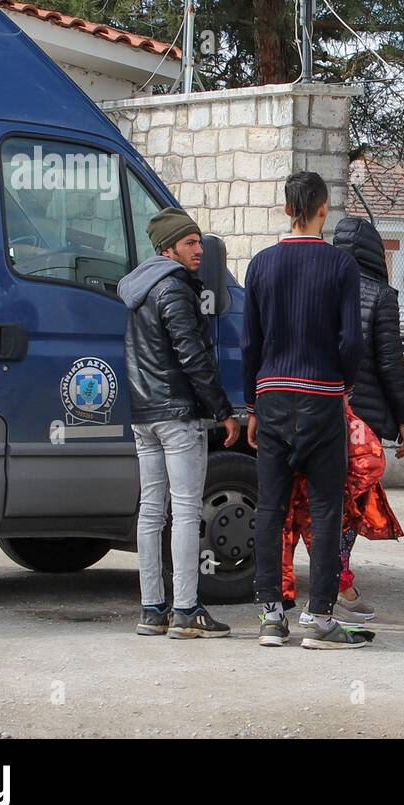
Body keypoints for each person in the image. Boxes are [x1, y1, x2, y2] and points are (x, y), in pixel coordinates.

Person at [242, 171, 370, 651]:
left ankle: (271, 615)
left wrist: (252, 404)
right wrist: (344, 385)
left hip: (272, 395)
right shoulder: (341, 266)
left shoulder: (261, 265)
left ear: (285, 208)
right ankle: (319, 619)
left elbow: (249, 342)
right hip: (321, 395)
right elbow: (351, 340)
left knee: (271, 507)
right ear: (324, 207)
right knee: (325, 508)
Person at [118, 207, 240, 640]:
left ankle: (152, 610)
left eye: (200, 242)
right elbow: (192, 356)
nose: (199, 249)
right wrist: (223, 410)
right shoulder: (173, 288)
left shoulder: (138, 288)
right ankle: (186, 610)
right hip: (176, 414)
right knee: (186, 511)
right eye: (190, 243)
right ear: (168, 247)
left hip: (143, 415)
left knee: (151, 512)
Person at [329, 215, 404, 621]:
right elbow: (390, 363)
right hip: (361, 421)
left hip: (319, 410)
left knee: (319, 500)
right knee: (352, 503)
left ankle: (327, 580)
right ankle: (340, 579)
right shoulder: (381, 295)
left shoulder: (321, 287)